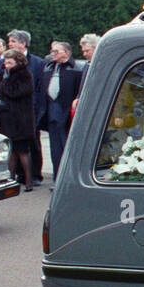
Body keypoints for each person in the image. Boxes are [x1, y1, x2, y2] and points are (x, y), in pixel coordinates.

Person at [0, 48, 36, 190]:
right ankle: (10, 179)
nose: (7, 65)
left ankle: (28, 181)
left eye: (10, 62)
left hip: (20, 119)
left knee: (22, 150)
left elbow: (16, 92)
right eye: (5, 62)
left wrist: (5, 84)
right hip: (5, 118)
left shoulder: (24, 75)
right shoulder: (2, 74)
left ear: (18, 62)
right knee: (11, 151)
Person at [37, 40, 84, 181]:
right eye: (52, 51)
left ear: (67, 53)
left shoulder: (76, 69)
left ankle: (70, 179)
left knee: (68, 148)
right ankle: (57, 178)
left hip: (67, 116)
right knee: (55, 149)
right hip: (51, 113)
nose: (53, 54)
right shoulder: (48, 68)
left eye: (56, 51)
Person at [8, 30, 47, 183]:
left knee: (33, 143)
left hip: (31, 110)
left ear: (22, 43)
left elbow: (40, 87)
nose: (9, 44)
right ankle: (20, 174)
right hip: (12, 111)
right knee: (15, 144)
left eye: (12, 41)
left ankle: (35, 175)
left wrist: (36, 108)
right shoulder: (8, 62)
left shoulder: (37, 63)